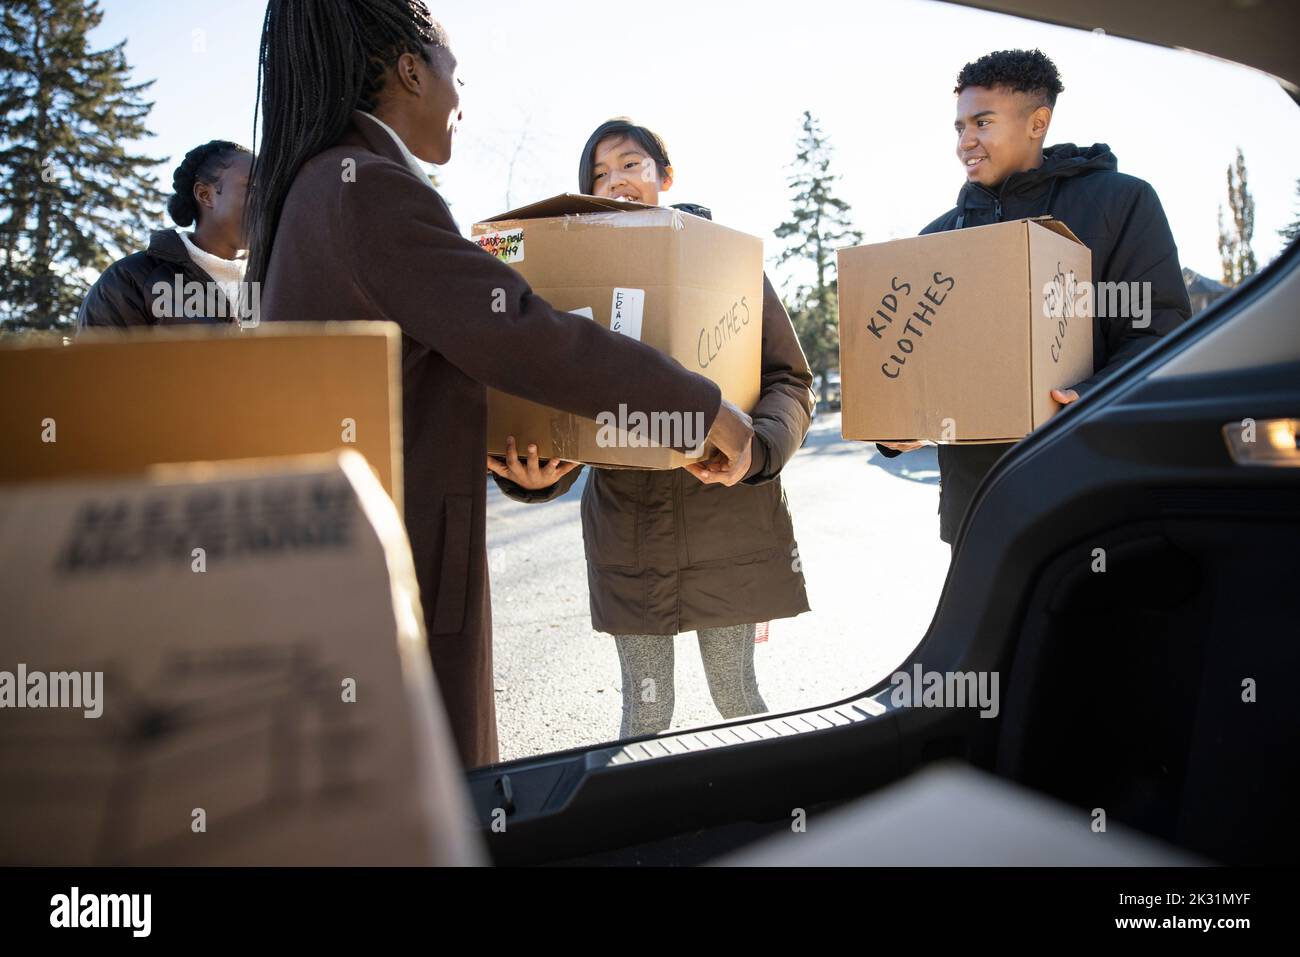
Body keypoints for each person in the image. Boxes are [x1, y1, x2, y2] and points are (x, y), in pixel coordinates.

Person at [247, 1, 753, 769]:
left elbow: (432, 371)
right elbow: (520, 334)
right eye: (456, 72)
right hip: (399, 569)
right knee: (435, 804)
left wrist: (522, 450)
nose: (460, 98)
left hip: (348, 564)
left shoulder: (318, 187)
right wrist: (703, 407)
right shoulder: (366, 189)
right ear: (412, 71)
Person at [488, 119, 814, 738]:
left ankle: (785, 819)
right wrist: (536, 477)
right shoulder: (566, 276)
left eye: (630, 166)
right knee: (644, 713)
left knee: (737, 699)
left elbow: (791, 381)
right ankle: (644, 830)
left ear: (665, 177)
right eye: (599, 175)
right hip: (627, 535)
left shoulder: (722, 261)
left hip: (727, 524)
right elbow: (559, 411)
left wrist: (760, 447)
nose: (615, 183)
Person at [880, 49, 1190, 545]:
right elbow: (918, 363)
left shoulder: (1119, 203)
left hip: (1092, 486)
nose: (966, 142)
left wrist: (1090, 399)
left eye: (982, 122)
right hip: (977, 507)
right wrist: (897, 422)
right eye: (959, 127)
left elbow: (1157, 330)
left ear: (1037, 122)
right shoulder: (937, 239)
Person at [78, 141, 253, 328]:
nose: (270, 200)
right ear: (205, 195)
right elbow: (98, 358)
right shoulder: (129, 281)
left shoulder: (273, 282)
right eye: (255, 187)